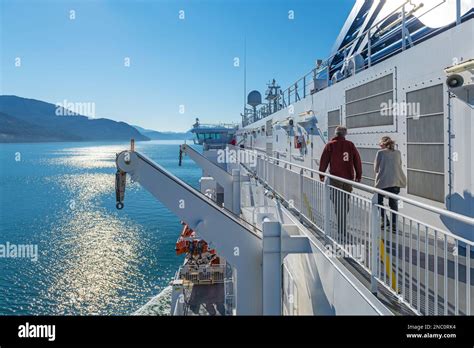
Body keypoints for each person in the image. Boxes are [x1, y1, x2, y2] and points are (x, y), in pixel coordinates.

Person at [319, 126, 362, 241]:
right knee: (345, 201)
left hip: (335, 178)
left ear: (336, 133)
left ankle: (341, 228)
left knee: (337, 202)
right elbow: (357, 160)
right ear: (345, 134)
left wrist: (321, 174)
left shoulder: (330, 145)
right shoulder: (350, 145)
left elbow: (324, 160)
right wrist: (358, 175)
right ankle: (342, 222)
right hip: (348, 179)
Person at [374, 136, 407, 230]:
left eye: (380, 143)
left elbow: (376, 169)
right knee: (393, 203)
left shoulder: (380, 153)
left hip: (383, 182)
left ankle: (384, 220)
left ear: (383, 144)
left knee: (379, 201)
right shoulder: (398, 152)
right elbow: (399, 164)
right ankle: (394, 224)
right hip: (396, 181)